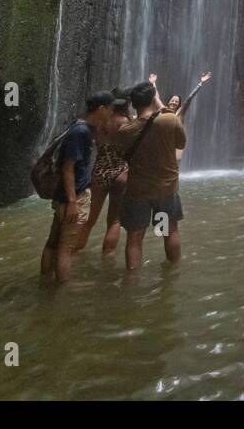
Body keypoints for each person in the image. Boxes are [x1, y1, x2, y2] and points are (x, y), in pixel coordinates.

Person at [113, 73, 197, 270]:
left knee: (134, 238)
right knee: (167, 231)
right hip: (165, 191)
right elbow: (181, 143)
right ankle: (170, 274)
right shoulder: (169, 120)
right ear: (153, 100)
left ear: (133, 104)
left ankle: (132, 282)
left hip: (138, 192)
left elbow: (120, 153)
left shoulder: (125, 130)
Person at [41, 91, 124, 283]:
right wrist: (72, 201)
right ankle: (63, 292)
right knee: (65, 248)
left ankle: (45, 282)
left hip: (65, 195)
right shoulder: (81, 132)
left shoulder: (80, 127)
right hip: (73, 196)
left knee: (53, 243)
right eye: (111, 108)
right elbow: (68, 168)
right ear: (102, 109)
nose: (113, 112)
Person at [74, 88, 132, 254]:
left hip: (100, 172)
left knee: (90, 219)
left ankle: (75, 252)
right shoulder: (126, 123)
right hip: (121, 172)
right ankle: (107, 260)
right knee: (114, 221)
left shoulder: (99, 122)